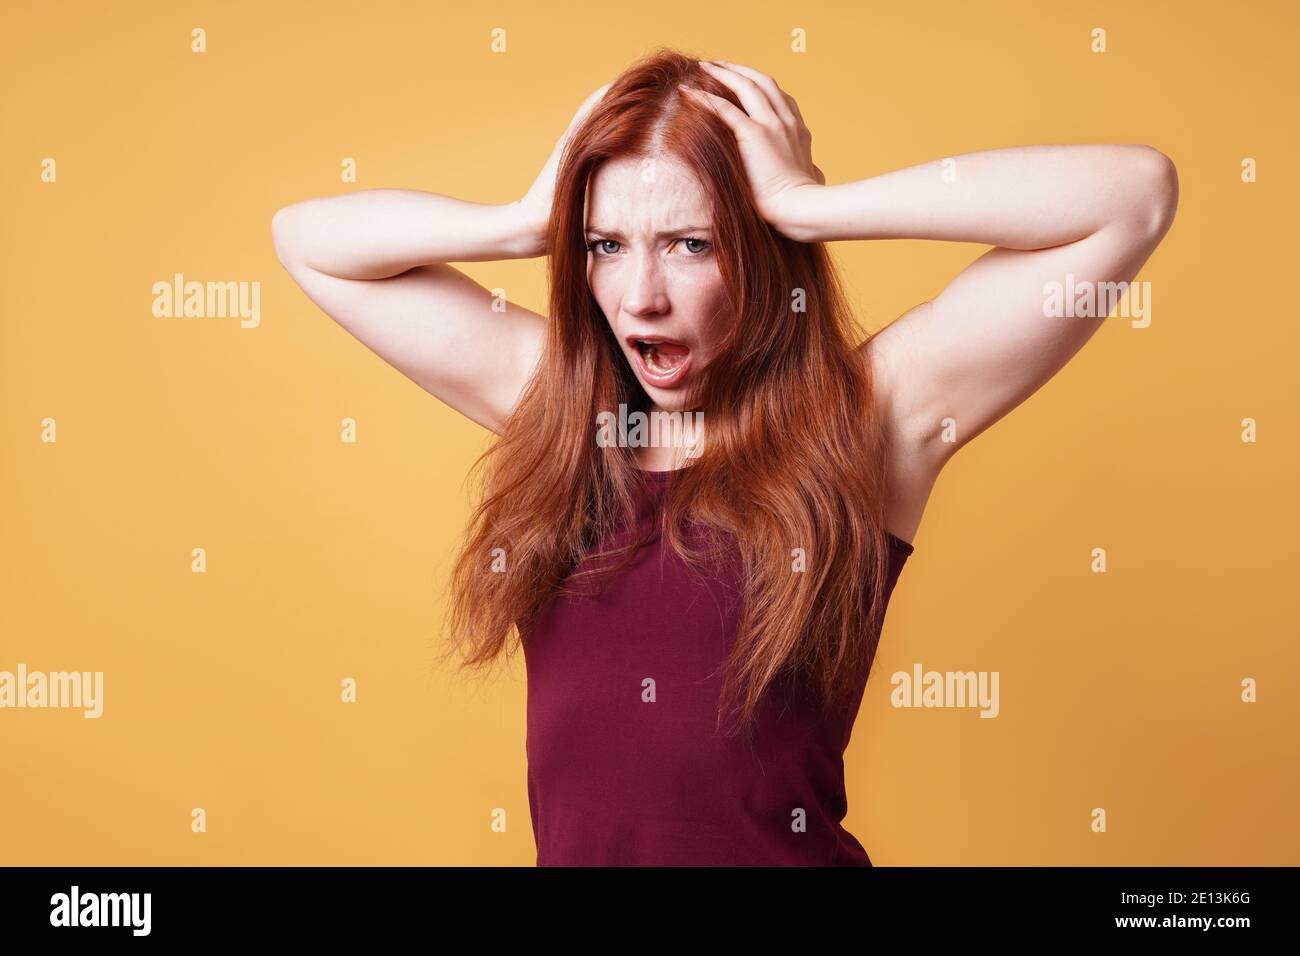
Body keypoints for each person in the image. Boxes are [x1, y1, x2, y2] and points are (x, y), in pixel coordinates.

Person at [271, 47, 1178, 865]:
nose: (641, 297)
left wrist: (808, 207)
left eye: (691, 244)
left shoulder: (866, 424)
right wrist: (518, 223)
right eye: (606, 245)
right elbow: (308, 243)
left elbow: (1131, 196)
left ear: (766, 254)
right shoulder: (560, 412)